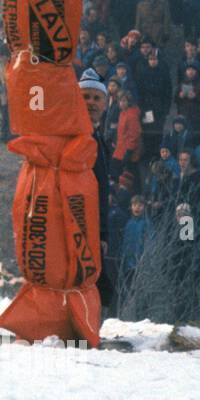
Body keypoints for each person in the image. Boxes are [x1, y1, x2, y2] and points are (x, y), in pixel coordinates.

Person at [80, 68, 116, 310]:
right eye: (85, 97)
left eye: (96, 98)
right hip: (78, 222)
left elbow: (101, 189)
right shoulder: (76, 135)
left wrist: (102, 233)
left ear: (105, 103)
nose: (91, 103)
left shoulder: (99, 137)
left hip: (93, 224)